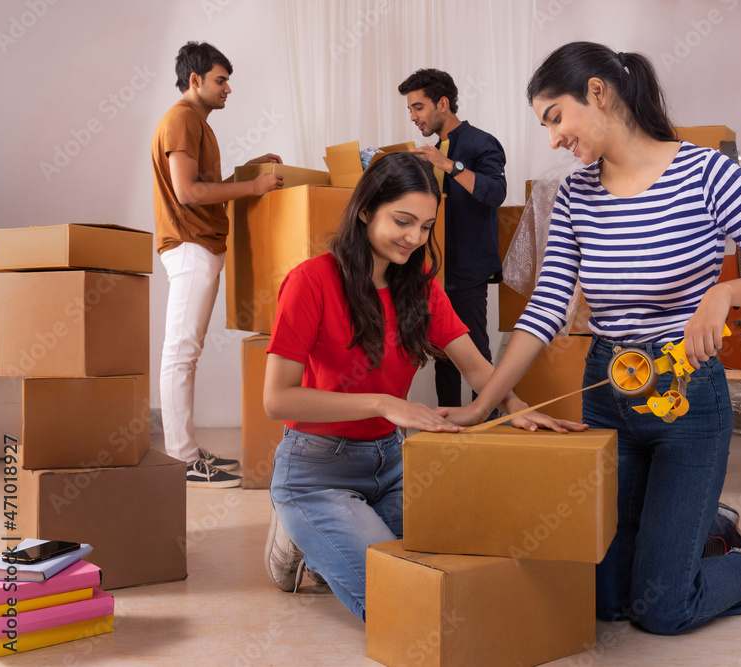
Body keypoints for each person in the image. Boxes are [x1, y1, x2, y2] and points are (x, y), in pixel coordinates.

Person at [444, 42, 741, 634]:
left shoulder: (708, 173)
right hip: (609, 397)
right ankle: (705, 522)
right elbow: (543, 310)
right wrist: (483, 408)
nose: (552, 138)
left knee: (662, 610)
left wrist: (722, 295)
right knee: (604, 599)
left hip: (687, 402)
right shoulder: (574, 195)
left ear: (598, 91)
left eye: (554, 117)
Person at [261, 152, 581, 620]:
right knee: (406, 605)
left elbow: (475, 366)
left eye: (426, 226)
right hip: (317, 471)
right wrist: (383, 403)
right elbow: (276, 399)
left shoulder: (421, 287)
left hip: (391, 466)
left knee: (463, 570)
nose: (415, 238)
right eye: (403, 221)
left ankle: (321, 537)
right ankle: (299, 527)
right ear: (367, 210)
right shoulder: (312, 281)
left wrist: (512, 403)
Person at [152, 41, 285, 488]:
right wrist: (253, 188)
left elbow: (205, 187)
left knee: (185, 352)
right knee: (181, 353)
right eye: (221, 80)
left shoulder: (198, 125)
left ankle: (187, 452)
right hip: (189, 245)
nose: (228, 89)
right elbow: (187, 193)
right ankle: (183, 458)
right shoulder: (184, 119)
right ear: (196, 80)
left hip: (201, 244)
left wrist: (250, 173)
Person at [397, 69, 506, 409]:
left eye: (418, 107)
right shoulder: (433, 149)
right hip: (434, 268)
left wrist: (448, 165)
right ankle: (448, 423)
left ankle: (486, 426)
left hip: (468, 268)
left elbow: (496, 193)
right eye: (410, 110)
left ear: (442, 103)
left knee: (474, 349)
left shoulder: (479, 142)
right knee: (442, 351)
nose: (413, 117)